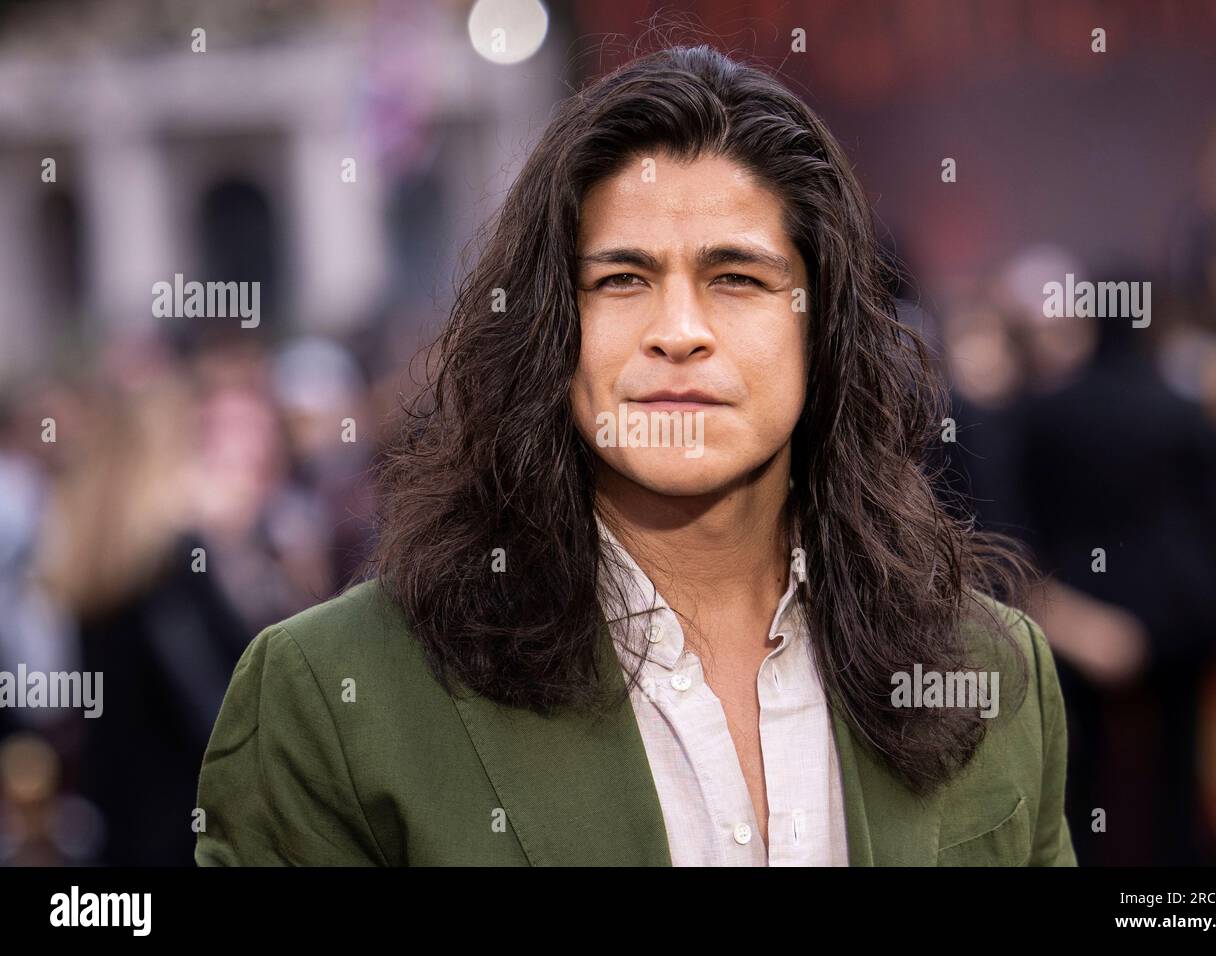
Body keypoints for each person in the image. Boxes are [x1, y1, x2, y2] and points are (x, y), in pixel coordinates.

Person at [194, 43, 1076, 867]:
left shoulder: (989, 672)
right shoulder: (333, 696)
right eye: (622, 280)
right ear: (548, 327)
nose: (679, 333)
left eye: (737, 278)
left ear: (824, 328)